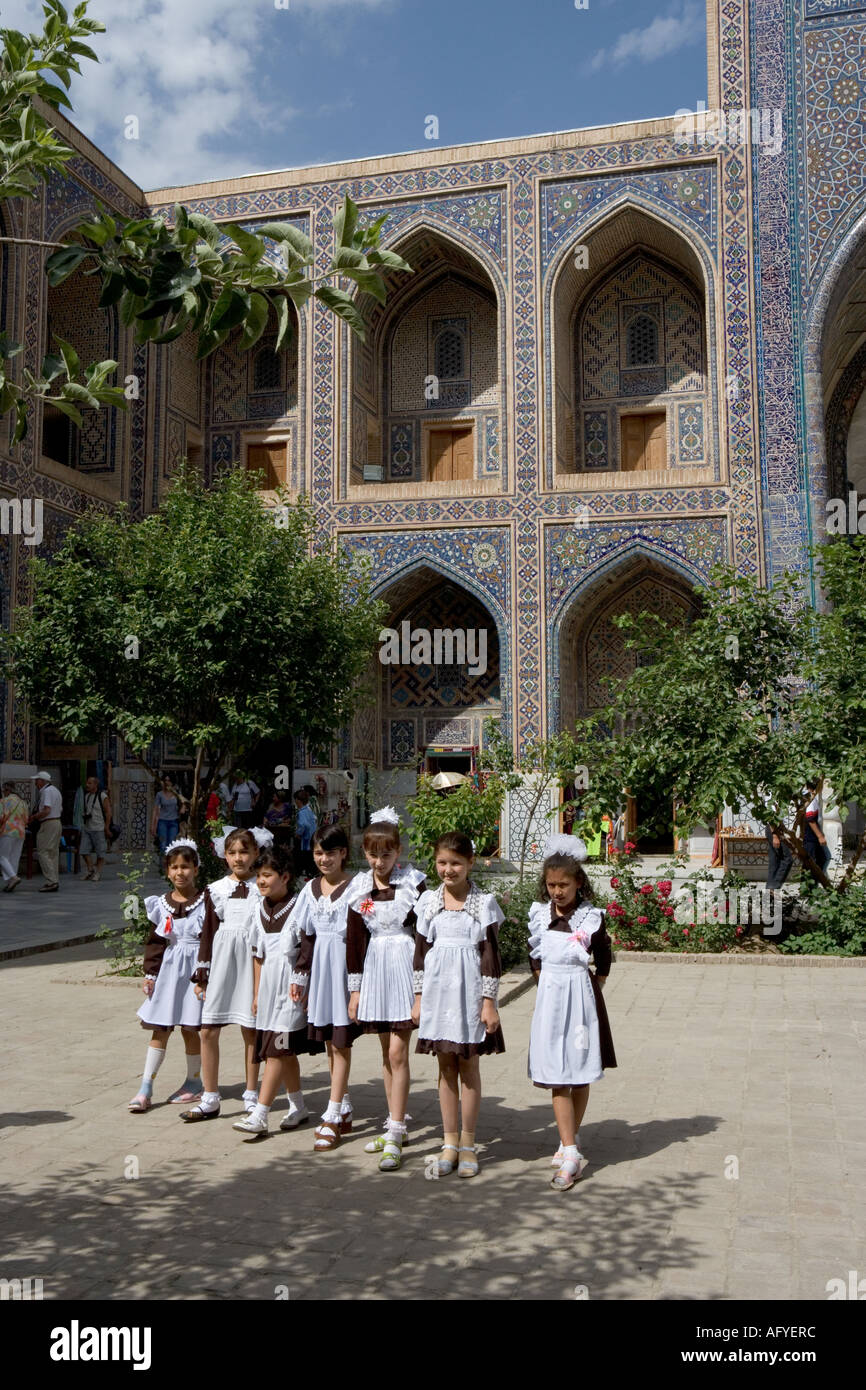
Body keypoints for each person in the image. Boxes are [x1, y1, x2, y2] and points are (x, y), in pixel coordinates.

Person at [412, 831, 504, 1179]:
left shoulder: (484, 904)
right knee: (445, 1068)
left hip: (468, 997)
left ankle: (468, 1142)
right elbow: (420, 954)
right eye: (442, 863)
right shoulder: (428, 903)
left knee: (468, 1066)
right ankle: (448, 1142)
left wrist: (489, 1003)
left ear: (470, 863)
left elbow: (490, 957)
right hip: (437, 996)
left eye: (456, 863)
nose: (448, 870)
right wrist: (418, 999)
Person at [527, 834, 616, 1191]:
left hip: (581, 999)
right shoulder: (539, 916)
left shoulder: (590, 918)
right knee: (557, 1075)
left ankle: (570, 1141)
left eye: (563, 884)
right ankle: (569, 1149)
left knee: (578, 1071)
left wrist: (594, 986)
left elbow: (604, 954)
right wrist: (547, 984)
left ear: (579, 882)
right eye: (551, 885)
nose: (556, 892)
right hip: (551, 1000)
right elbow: (533, 956)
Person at [346, 807, 426, 1171]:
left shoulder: (414, 883)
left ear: (398, 851)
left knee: (398, 1051)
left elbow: (425, 932)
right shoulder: (359, 888)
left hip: (404, 964)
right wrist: (355, 990)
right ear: (365, 853)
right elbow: (355, 941)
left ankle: (395, 1130)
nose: (380, 861)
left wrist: (425, 983)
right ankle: (396, 1120)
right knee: (385, 1052)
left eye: (387, 853)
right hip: (375, 967)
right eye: (373, 854)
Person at [180, 825, 270, 1123]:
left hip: (252, 963)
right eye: (232, 853)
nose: (238, 858)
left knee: (251, 1030)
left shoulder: (264, 887)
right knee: (208, 1029)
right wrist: (201, 974)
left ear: (256, 853)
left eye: (244, 852)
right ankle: (210, 1096)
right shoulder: (216, 889)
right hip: (221, 963)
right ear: (224, 856)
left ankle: (251, 1093)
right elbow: (208, 933)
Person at [232, 847, 324, 1137]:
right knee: (283, 1051)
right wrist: (257, 994)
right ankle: (297, 1106)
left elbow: (308, 950)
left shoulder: (300, 907)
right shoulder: (258, 909)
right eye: (258, 875)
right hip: (270, 990)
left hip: (293, 989)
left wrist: (303, 984)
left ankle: (260, 1113)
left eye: (267, 875)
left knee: (276, 1047)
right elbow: (258, 955)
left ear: (285, 876)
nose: (261, 881)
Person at [289, 824, 358, 1151]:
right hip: (320, 973)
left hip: (346, 971)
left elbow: (363, 933)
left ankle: (331, 1116)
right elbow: (307, 937)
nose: (324, 859)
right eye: (319, 853)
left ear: (343, 852)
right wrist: (300, 976)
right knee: (330, 1041)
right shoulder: (310, 889)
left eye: (331, 852)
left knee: (341, 1041)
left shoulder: (358, 886)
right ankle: (342, 1103)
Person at [128, 838, 206, 1112]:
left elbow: (211, 940)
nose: (179, 872)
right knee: (160, 1027)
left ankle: (194, 1082)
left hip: (196, 972)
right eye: (173, 867)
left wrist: (205, 975)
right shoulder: (160, 904)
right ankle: (145, 1088)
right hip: (169, 972)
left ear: (196, 868)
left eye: (185, 866)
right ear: (167, 871)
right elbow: (156, 942)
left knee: (190, 1027)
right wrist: (150, 974)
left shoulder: (207, 902)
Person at [30, 770, 63, 893]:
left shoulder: (47, 791)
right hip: (56, 822)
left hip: (48, 823)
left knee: (43, 851)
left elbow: (46, 810)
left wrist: (34, 817)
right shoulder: (55, 790)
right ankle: (54, 880)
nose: (35, 782)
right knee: (53, 853)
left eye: (36, 780)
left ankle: (51, 881)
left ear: (42, 781)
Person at [80, 775, 112, 882]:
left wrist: (106, 827)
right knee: (83, 850)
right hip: (88, 827)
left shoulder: (102, 796)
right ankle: (90, 869)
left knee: (100, 852)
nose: (87, 785)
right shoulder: (87, 796)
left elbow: (108, 812)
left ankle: (98, 872)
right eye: (87, 783)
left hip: (99, 828)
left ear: (95, 784)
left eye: (90, 783)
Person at [0, 782, 28, 892]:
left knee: (2, 857)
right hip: (21, 832)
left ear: (7, 790)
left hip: (8, 831)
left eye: (3, 791)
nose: (3, 793)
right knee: (14, 858)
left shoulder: (4, 801)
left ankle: (13, 877)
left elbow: (1, 817)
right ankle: (10, 883)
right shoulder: (23, 802)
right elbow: (26, 819)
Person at [804, 784, 831, 877]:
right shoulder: (809, 798)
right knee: (817, 860)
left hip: (812, 836)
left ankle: (814, 884)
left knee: (823, 858)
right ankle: (810, 887)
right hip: (810, 837)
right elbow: (810, 818)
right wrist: (820, 836)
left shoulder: (812, 797)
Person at [151, 776, 180, 857]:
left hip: (173, 822)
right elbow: (155, 810)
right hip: (162, 822)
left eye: (169, 780)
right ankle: (162, 868)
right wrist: (153, 826)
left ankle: (170, 867)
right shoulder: (159, 794)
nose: (167, 782)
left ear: (172, 783)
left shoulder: (176, 793)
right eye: (165, 780)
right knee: (163, 845)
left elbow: (182, 804)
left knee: (171, 846)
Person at [293, 789, 317, 878]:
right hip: (311, 837)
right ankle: (310, 873)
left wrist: (298, 833)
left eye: (296, 801)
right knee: (309, 857)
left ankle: (301, 873)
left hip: (305, 839)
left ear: (298, 801)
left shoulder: (302, 812)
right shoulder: (309, 810)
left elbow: (304, 825)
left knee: (302, 856)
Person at [264, 789, 293, 853]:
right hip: (273, 832)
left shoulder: (287, 806)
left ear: (280, 799)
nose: (273, 798)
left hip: (284, 832)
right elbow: (266, 818)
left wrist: (284, 822)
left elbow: (290, 818)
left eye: (275, 797)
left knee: (284, 848)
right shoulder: (271, 806)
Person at [765, 824, 793, 890]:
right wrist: (774, 835)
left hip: (776, 830)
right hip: (774, 831)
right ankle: (774, 888)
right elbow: (771, 818)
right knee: (787, 859)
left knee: (774, 863)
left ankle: (768, 895)